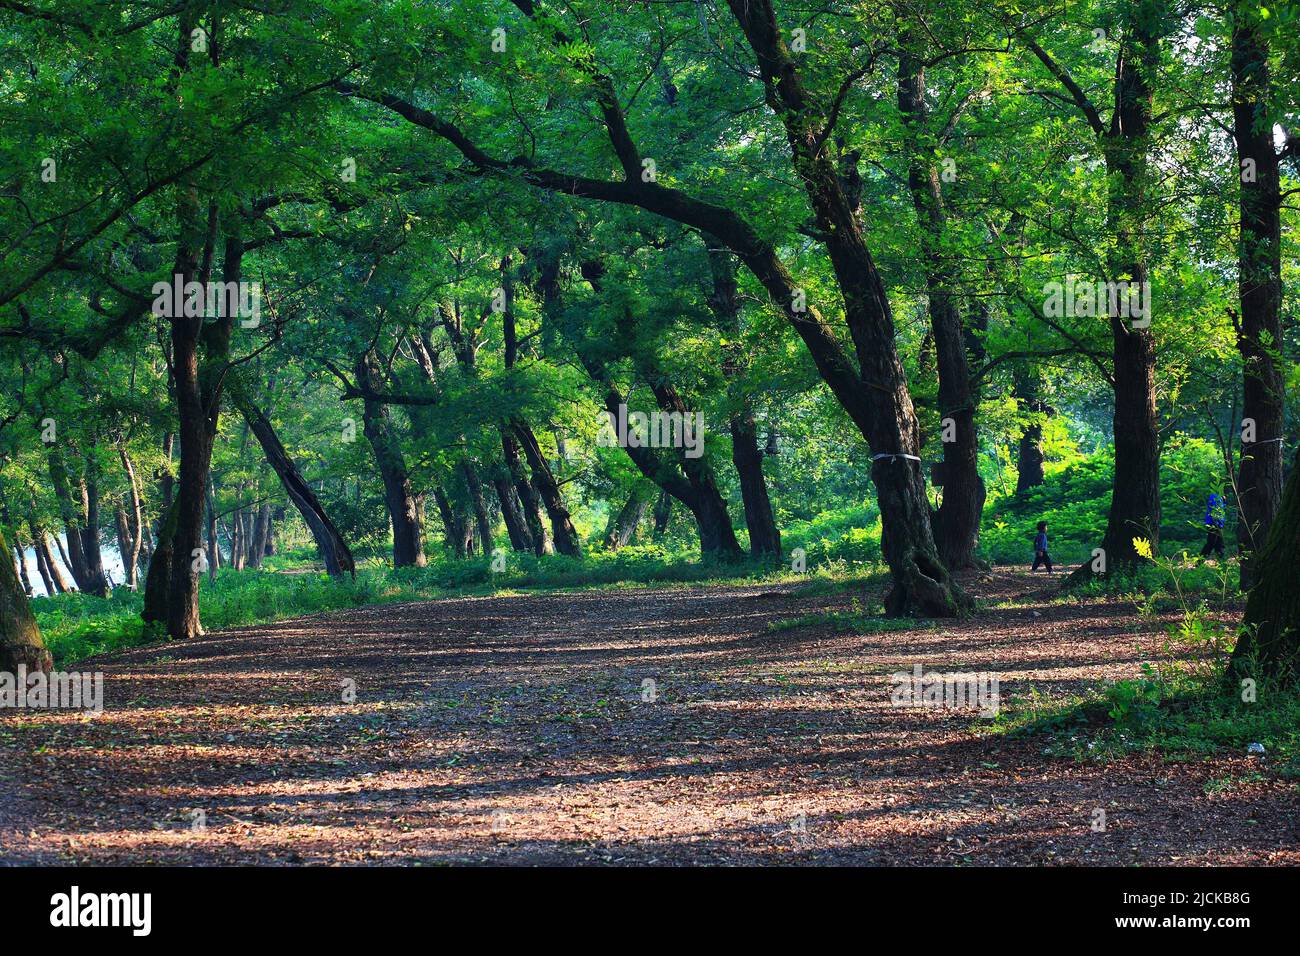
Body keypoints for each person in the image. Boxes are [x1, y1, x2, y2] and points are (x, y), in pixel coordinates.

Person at [1201, 492, 1227, 558]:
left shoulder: (1220, 498)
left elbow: (1222, 510)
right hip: (1214, 524)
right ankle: (1199, 561)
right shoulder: (1215, 497)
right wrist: (1217, 523)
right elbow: (1214, 510)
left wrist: (1224, 501)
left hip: (1218, 524)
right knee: (1211, 543)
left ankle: (1222, 562)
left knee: (1219, 544)